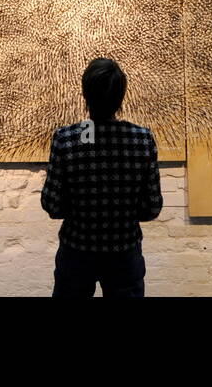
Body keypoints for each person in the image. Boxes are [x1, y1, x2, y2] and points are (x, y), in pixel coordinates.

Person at [40, 57, 164, 297]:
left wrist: (79, 210)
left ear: (85, 94)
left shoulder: (66, 138)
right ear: (121, 96)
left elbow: (52, 205)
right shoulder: (141, 139)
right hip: (124, 252)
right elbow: (152, 208)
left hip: (77, 251)